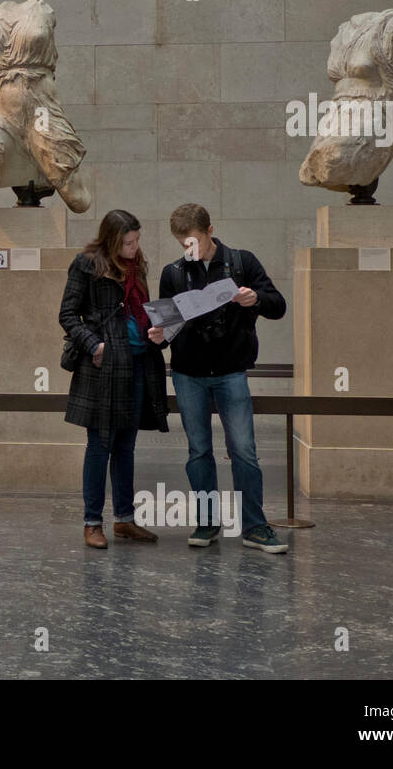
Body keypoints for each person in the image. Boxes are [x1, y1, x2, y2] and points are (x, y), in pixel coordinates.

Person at [147, 204, 287, 553]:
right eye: (183, 244)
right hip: (188, 373)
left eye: (193, 241)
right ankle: (207, 523)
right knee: (199, 451)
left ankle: (254, 526)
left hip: (230, 372)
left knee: (243, 450)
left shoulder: (242, 262)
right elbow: (168, 322)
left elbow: (278, 304)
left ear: (211, 230)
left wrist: (254, 299)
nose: (189, 250)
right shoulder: (174, 273)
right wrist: (161, 336)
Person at [60, 209, 170, 548]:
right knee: (100, 445)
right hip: (104, 365)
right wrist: (94, 343)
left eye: (137, 240)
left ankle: (124, 520)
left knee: (126, 445)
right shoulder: (86, 263)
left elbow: (143, 309)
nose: (134, 247)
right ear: (111, 240)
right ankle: (92, 522)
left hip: (139, 362)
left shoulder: (138, 264)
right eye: (127, 242)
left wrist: (160, 332)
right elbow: (67, 314)